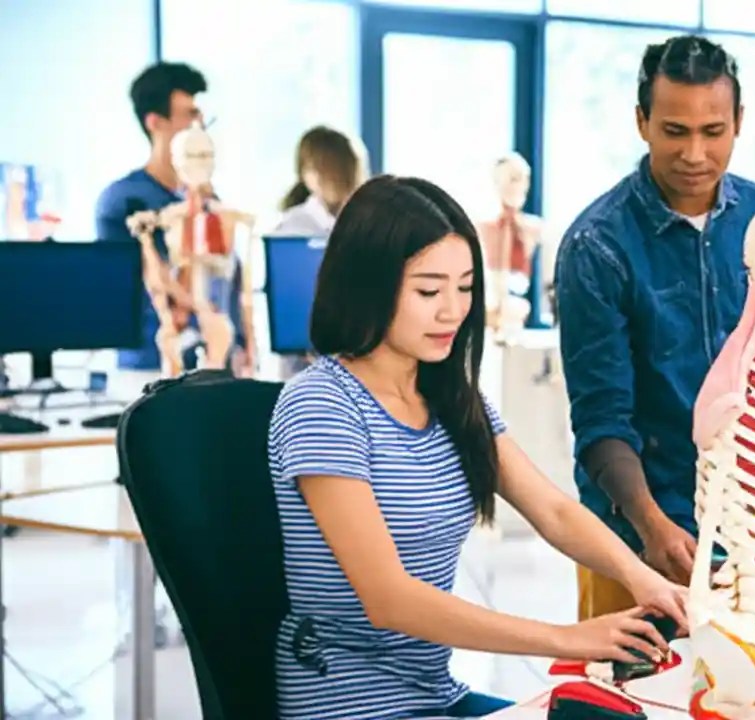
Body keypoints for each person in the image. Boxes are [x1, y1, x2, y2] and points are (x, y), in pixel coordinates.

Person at [269, 175, 687, 720]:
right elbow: (387, 597)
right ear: (367, 286)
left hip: (433, 695)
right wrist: (569, 638)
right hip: (347, 705)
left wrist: (645, 580)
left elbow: (555, 511)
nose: (453, 311)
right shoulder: (322, 405)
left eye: (465, 287)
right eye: (428, 290)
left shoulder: (450, 399)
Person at [555, 34, 755, 621]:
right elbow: (601, 418)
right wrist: (651, 524)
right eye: (675, 131)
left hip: (753, 529)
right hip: (634, 538)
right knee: (630, 702)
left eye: (712, 131)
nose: (695, 154)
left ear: (739, 122)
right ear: (642, 121)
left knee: (746, 698)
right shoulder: (597, 245)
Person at [95, 61, 250, 374]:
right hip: (149, 367)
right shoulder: (125, 200)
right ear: (155, 122)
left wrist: (242, 343)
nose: (199, 126)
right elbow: (145, 279)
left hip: (214, 362)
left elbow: (228, 278)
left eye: (200, 115)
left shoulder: (208, 202)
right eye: (189, 115)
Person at [271, 125, 367, 237]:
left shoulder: (370, 223)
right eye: (329, 169)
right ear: (304, 174)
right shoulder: (293, 229)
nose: (336, 180)